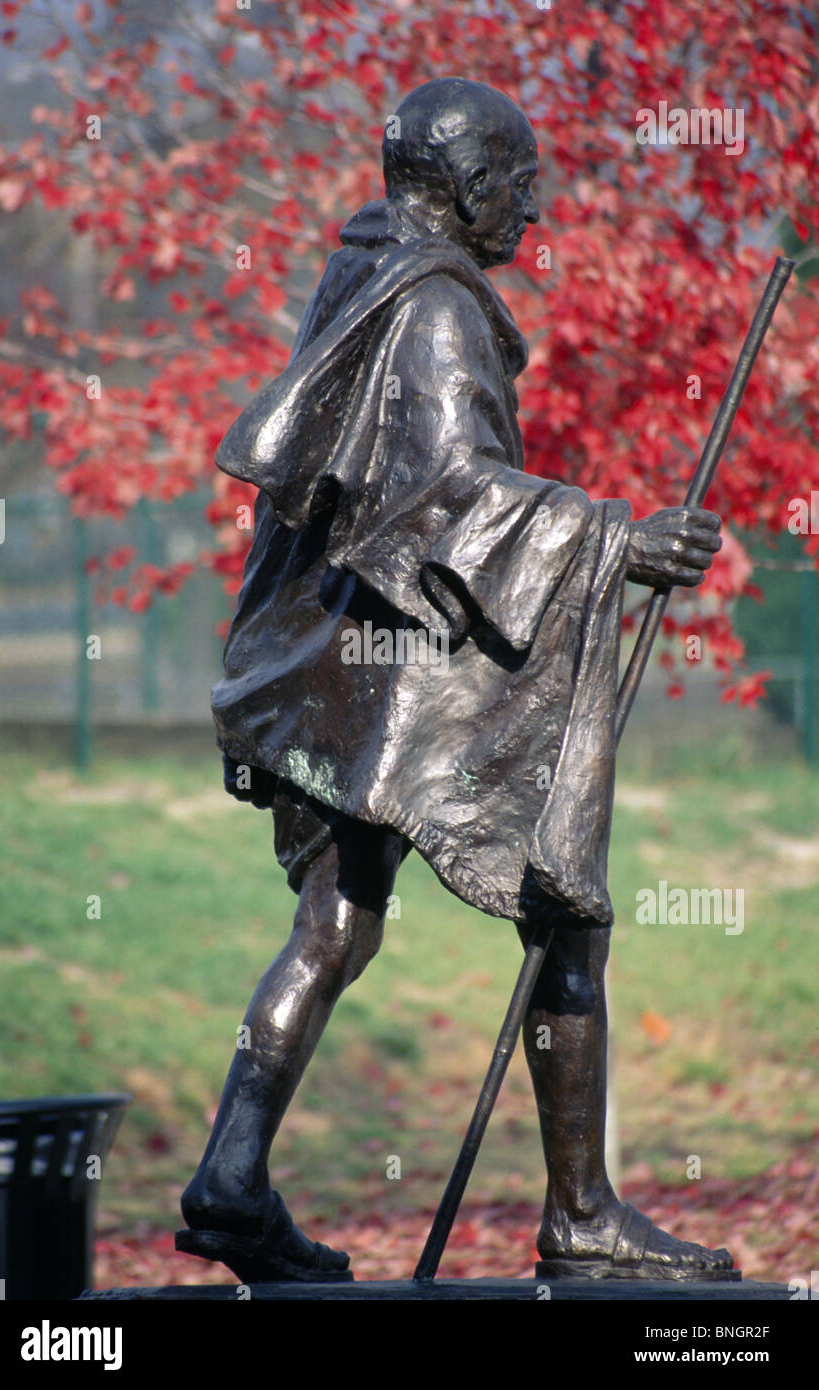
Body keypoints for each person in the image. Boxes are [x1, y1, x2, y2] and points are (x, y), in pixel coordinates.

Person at [177, 77, 732, 1284]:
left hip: (334, 665)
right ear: (470, 185)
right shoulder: (435, 307)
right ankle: (580, 1213)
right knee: (565, 910)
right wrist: (615, 539)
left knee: (331, 925)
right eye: (520, 182)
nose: (532, 207)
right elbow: (451, 491)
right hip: (395, 676)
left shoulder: (358, 274)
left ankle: (230, 1177)